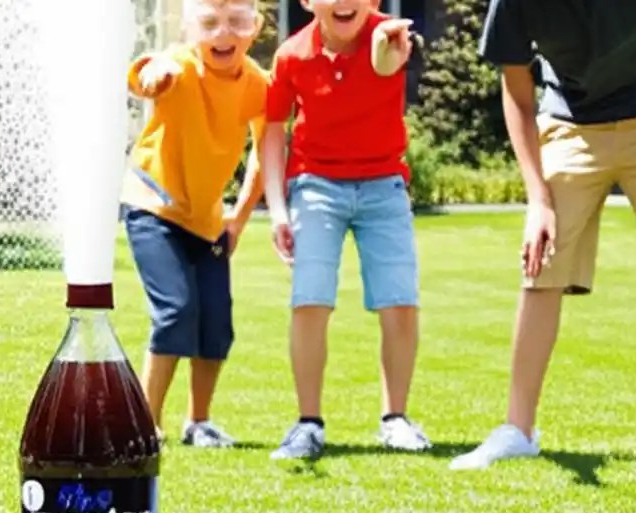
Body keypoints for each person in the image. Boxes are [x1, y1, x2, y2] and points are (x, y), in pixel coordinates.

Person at [452, 0, 636, 475]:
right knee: (542, 264)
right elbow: (516, 90)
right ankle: (518, 429)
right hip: (569, 125)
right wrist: (538, 200)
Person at [260, 0, 430, 461]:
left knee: (400, 303)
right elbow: (273, 131)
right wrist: (277, 209)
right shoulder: (292, 56)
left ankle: (396, 418)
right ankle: (308, 424)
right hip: (315, 186)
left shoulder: (391, 36)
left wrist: (393, 51)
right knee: (310, 300)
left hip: (385, 185)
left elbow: (395, 54)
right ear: (308, 2)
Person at [121, 0, 269, 447]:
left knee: (216, 323)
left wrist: (239, 219)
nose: (223, 34)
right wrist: (152, 74)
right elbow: (151, 70)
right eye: (209, 24)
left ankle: (199, 422)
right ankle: (147, 425)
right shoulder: (181, 66)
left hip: (207, 221)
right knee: (176, 311)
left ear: (255, 28)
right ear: (190, 29)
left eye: (237, 22)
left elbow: (267, 153)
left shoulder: (258, 84)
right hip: (153, 205)